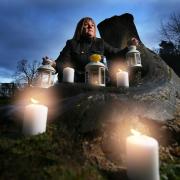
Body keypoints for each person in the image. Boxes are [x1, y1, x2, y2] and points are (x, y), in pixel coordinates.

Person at [44, 17, 139, 82]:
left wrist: (129, 47)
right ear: (80, 29)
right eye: (86, 25)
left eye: (92, 25)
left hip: (98, 82)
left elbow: (115, 53)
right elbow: (62, 62)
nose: (90, 27)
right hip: (76, 83)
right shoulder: (71, 43)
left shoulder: (100, 42)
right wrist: (53, 64)